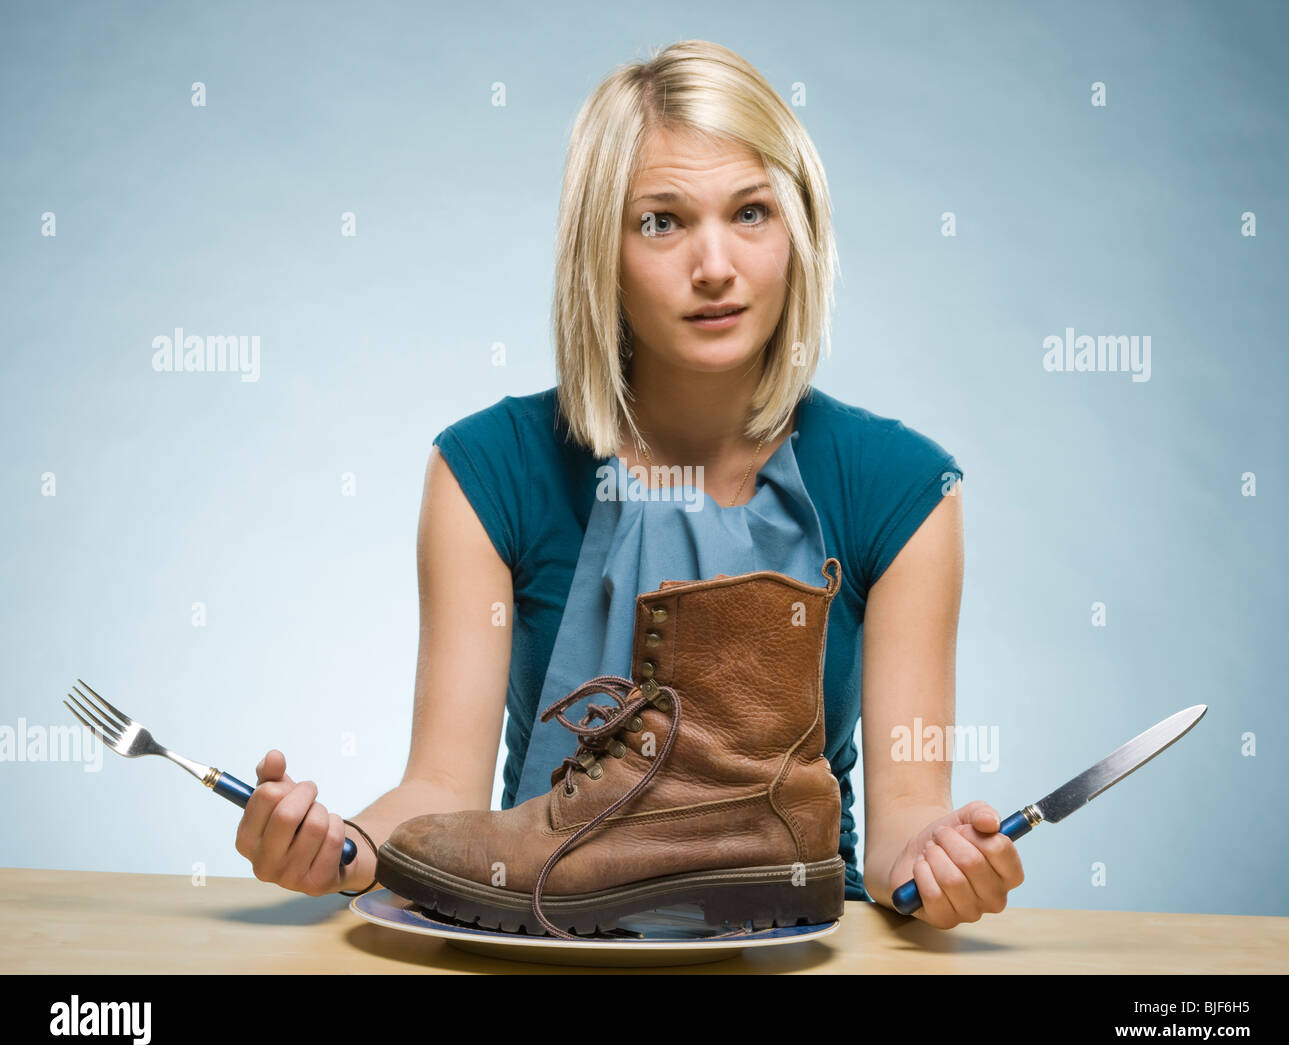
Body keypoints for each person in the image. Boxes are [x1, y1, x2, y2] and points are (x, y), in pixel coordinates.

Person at [235, 40, 1024, 930]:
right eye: (662, 221)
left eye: (753, 212)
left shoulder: (905, 488)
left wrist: (935, 856)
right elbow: (438, 789)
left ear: (800, 233)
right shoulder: (486, 468)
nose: (716, 265)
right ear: (598, 251)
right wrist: (339, 846)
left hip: (788, 946)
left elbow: (906, 813)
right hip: (528, 933)